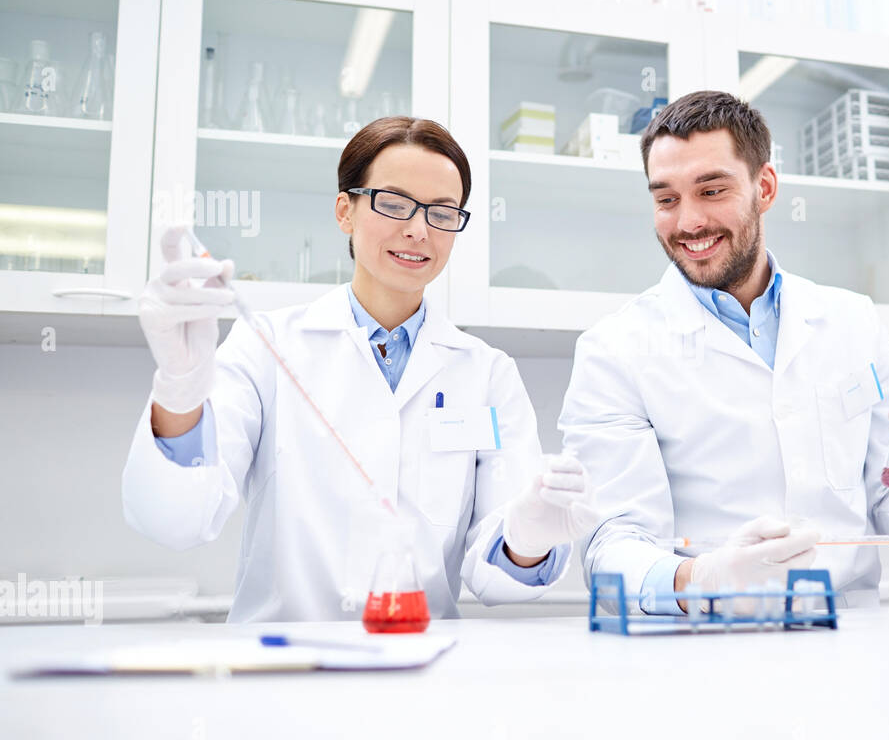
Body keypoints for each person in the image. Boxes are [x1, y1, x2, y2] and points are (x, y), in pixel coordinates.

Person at [123, 116, 591, 622]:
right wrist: (179, 390)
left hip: (422, 671)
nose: (418, 229)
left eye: (442, 212)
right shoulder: (267, 345)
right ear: (345, 210)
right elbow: (176, 522)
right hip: (285, 670)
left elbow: (499, 581)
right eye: (393, 203)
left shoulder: (487, 373)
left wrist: (528, 537)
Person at [558, 91, 889, 613]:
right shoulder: (613, 350)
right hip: (702, 643)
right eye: (666, 199)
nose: (687, 222)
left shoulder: (852, 322)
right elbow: (609, 542)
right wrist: (701, 580)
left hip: (849, 641)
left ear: (765, 187)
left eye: (711, 190)